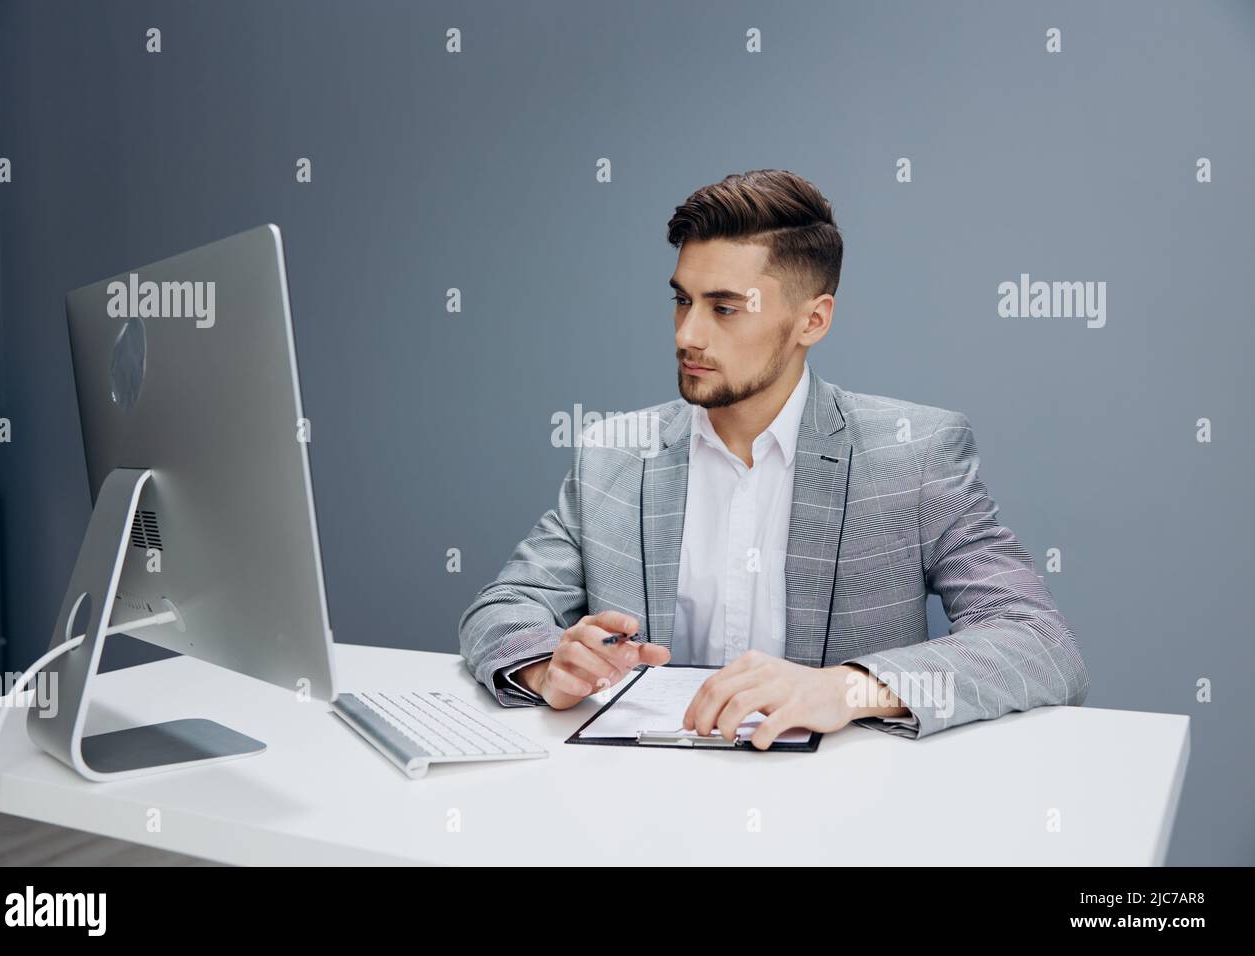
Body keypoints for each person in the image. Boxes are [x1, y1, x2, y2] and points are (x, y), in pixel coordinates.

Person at [459, 169, 1089, 748]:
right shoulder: (615, 454)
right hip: (641, 815)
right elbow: (504, 605)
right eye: (683, 300)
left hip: (839, 822)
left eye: (725, 308)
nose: (687, 335)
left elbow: (1038, 645)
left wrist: (845, 688)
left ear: (812, 320)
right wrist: (549, 665)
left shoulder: (915, 455)